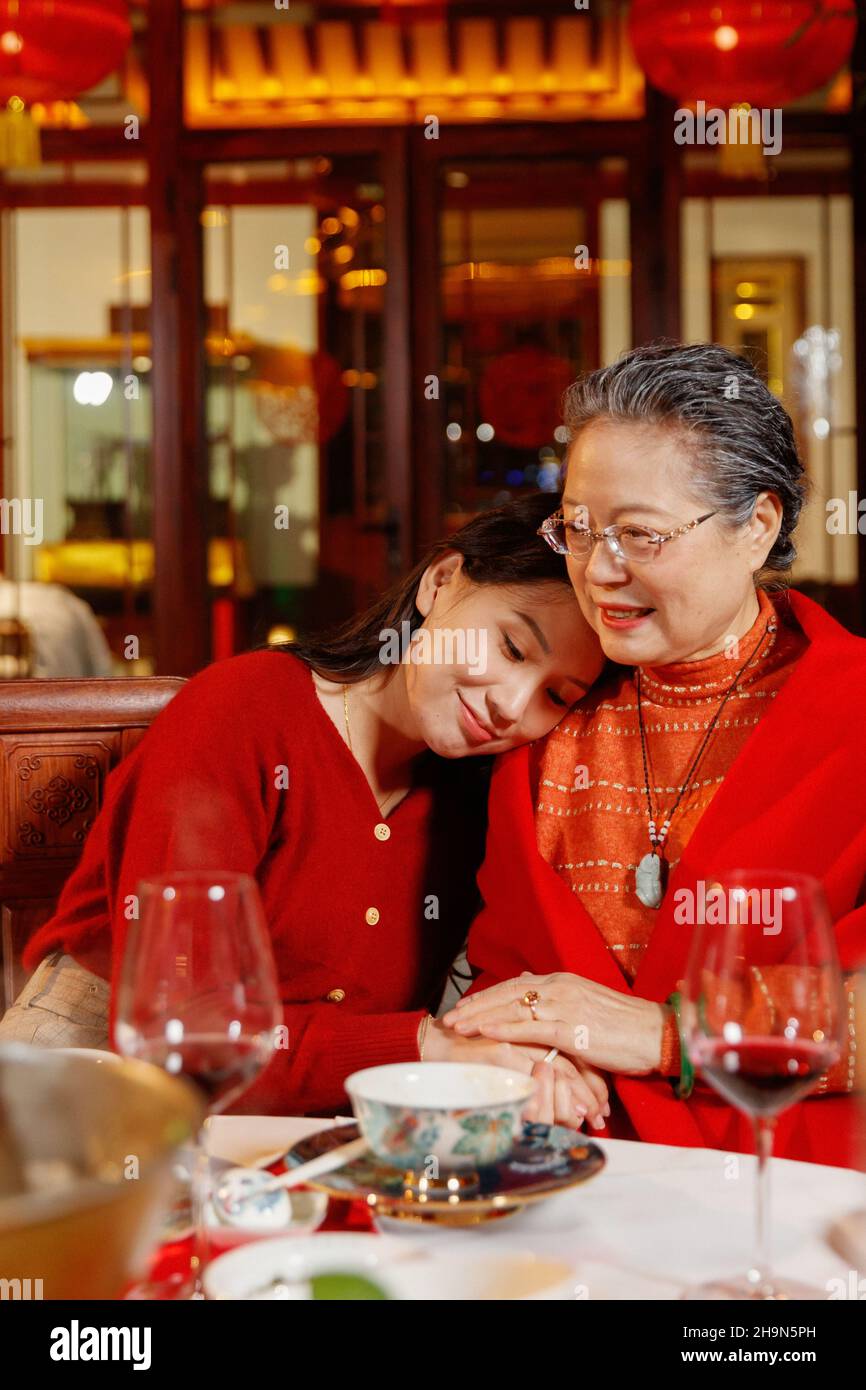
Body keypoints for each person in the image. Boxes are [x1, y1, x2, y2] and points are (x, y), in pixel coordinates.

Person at [4, 495, 609, 1127]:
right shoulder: (242, 712)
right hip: (98, 1087)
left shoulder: (476, 797)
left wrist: (537, 1054)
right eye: (512, 648)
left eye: (556, 695)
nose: (512, 705)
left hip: (319, 1122)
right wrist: (428, 1046)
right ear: (441, 582)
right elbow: (186, 1032)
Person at [443, 342, 866, 1169]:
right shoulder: (543, 703)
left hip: (785, 1187)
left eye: (640, 534)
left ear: (758, 527)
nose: (598, 570)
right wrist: (525, 1052)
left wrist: (669, 1033)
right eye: (577, 527)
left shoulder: (850, 708)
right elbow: (504, 968)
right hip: (559, 1174)